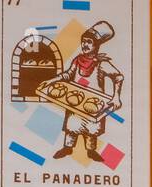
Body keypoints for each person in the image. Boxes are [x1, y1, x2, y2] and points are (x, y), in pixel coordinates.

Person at [51, 21, 124, 164]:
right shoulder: (77, 60)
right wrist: (54, 80)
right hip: (75, 100)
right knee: (72, 126)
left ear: (96, 45)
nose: (85, 44)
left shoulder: (101, 63)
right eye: (83, 41)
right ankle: (67, 148)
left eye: (89, 42)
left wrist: (116, 97)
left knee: (91, 128)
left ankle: (91, 151)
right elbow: (68, 74)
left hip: (95, 103)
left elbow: (118, 77)